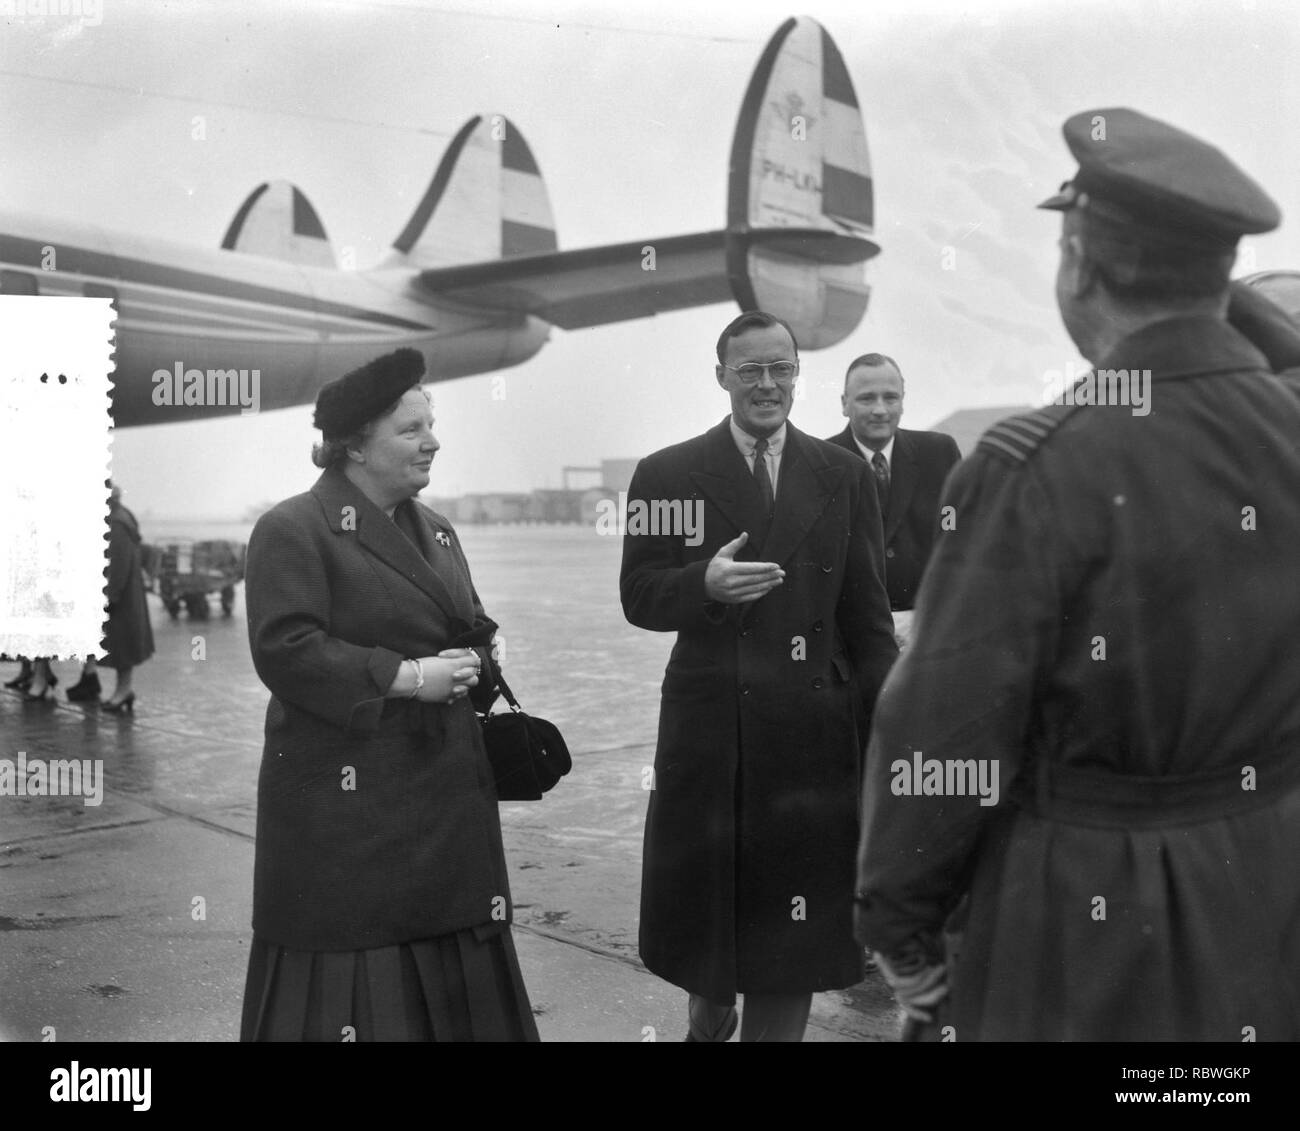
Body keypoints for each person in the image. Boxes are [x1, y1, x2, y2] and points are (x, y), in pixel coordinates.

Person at [853, 107, 1300, 1040]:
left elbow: (942, 735)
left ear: (1082, 266)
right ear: (1221, 274)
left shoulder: (1031, 466)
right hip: (1270, 882)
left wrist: (905, 936)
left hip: (1089, 916)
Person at [239, 347, 538, 1042]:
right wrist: (409, 677)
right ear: (354, 445)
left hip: (445, 816)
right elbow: (285, 650)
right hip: (348, 826)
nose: (432, 440)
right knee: (362, 991)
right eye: (410, 429)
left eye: (431, 423)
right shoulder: (293, 528)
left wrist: (477, 658)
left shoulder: (437, 529)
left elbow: (464, 620)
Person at [621, 310, 898, 1041]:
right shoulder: (668, 472)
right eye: (750, 371)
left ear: (799, 374)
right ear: (722, 377)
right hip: (714, 736)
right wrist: (701, 584)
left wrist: (894, 729)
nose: (767, 385)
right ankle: (708, 1022)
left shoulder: (841, 475)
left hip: (811, 743)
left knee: (793, 946)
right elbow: (639, 595)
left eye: (781, 368)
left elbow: (868, 619)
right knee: (710, 945)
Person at [825, 354, 961, 623]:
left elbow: (960, 541)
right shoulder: (821, 464)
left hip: (929, 626)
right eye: (867, 398)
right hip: (854, 635)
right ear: (844, 404)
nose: (880, 410)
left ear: (902, 401)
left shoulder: (940, 454)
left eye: (890, 397)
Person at [95, 482, 154, 713]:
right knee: (123, 646)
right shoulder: (121, 515)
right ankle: (123, 691)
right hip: (127, 593)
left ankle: (123, 692)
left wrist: (109, 597)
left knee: (122, 647)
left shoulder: (116, 522)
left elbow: (118, 565)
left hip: (120, 596)